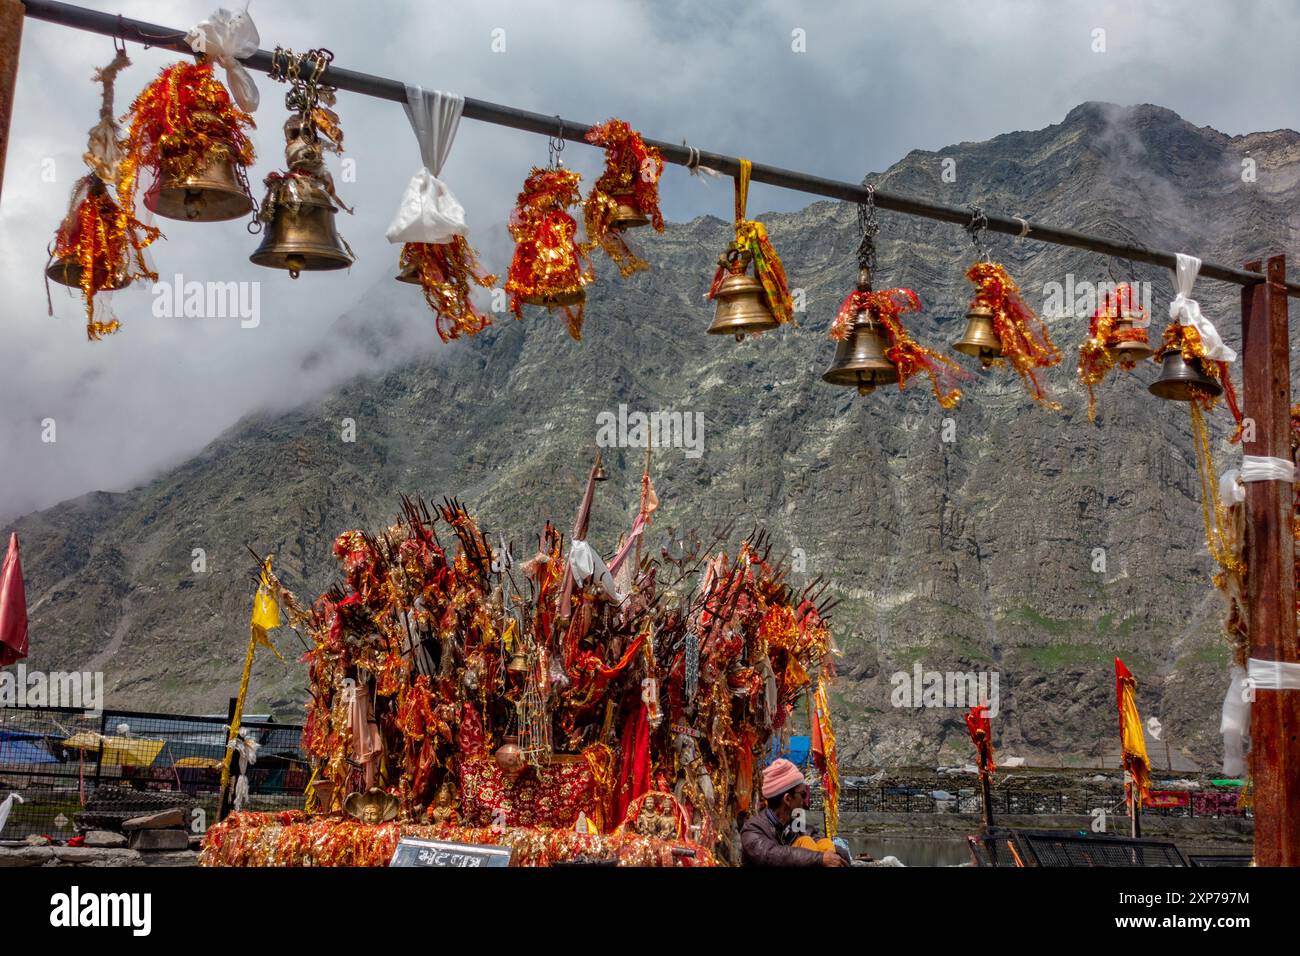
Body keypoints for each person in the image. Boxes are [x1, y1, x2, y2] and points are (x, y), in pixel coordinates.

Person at [741, 758, 846, 866]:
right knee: (806, 842)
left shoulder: (796, 825)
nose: (805, 801)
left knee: (822, 843)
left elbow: (819, 839)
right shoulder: (752, 829)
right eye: (803, 794)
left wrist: (834, 854)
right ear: (788, 799)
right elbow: (772, 855)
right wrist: (820, 859)